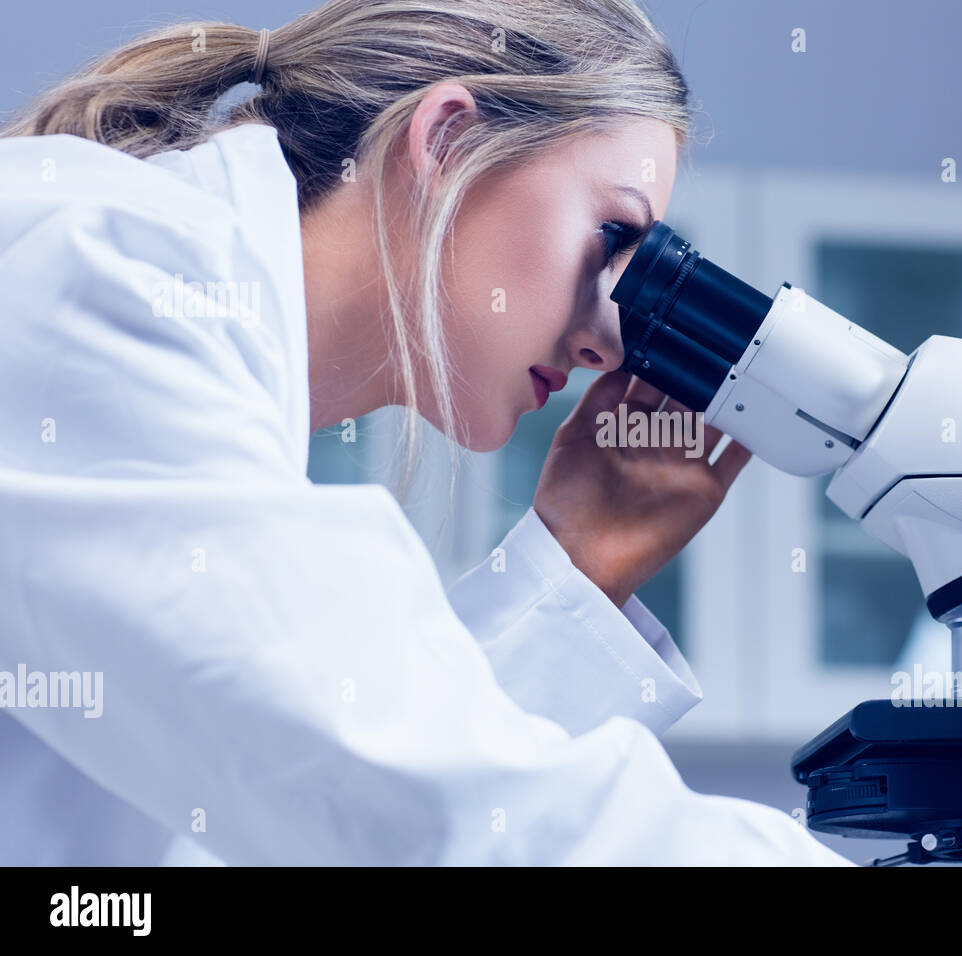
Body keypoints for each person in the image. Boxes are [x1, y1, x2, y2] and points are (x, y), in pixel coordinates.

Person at [0, 0, 854, 865]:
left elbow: (298, 811)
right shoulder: (107, 267)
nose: (607, 341)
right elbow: (389, 789)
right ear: (445, 142)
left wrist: (577, 567)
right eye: (611, 235)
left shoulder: (189, 322)